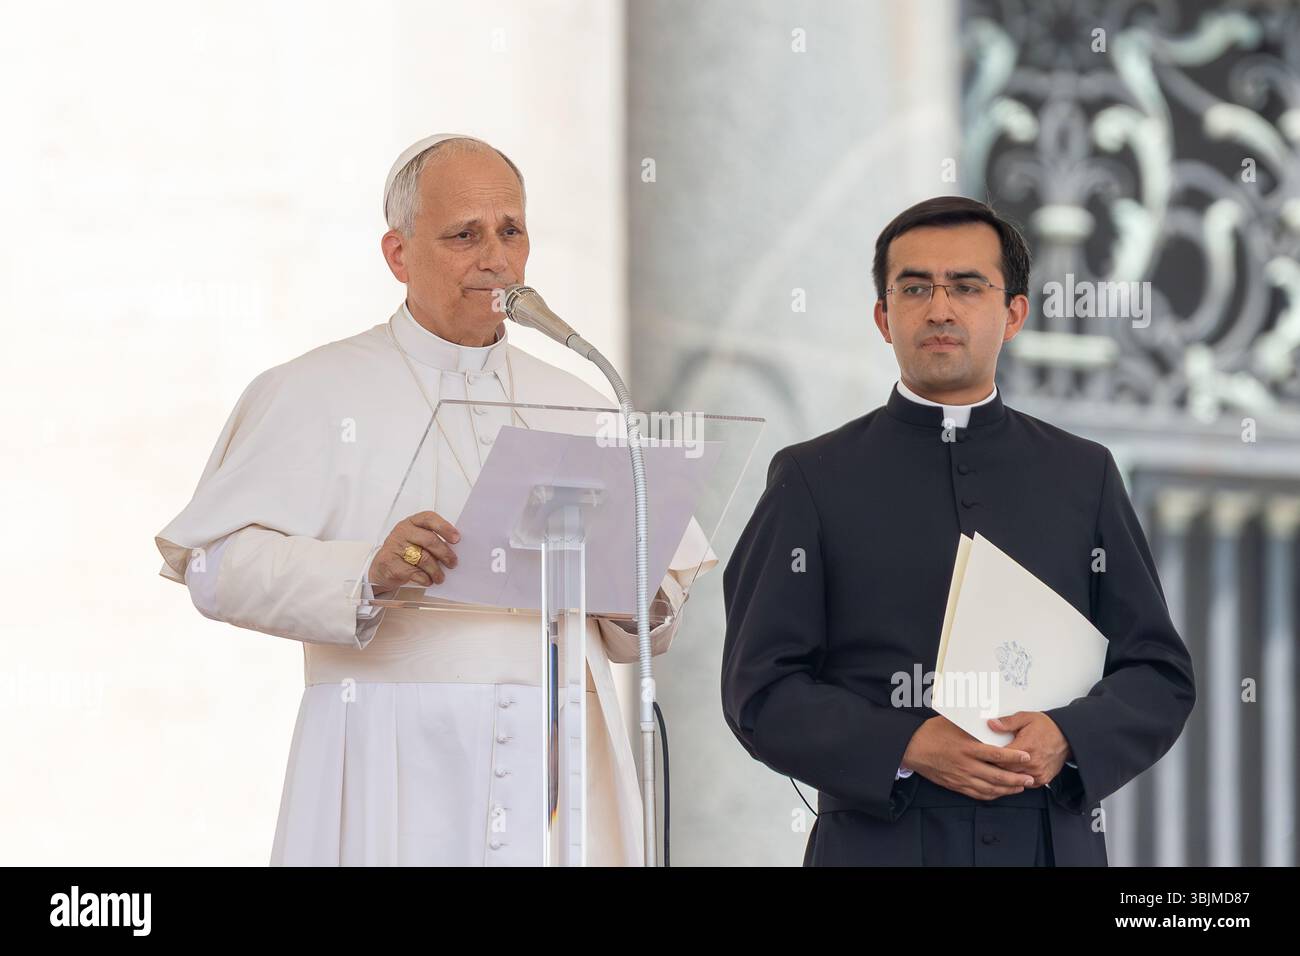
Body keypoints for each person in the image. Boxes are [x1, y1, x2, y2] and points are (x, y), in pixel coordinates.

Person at [156, 133, 712, 865]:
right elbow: (212, 565)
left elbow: (662, 592)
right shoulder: (314, 391)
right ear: (397, 255)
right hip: (389, 749)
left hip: (561, 759)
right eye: (463, 236)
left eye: (510, 231)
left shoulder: (579, 398)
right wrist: (363, 572)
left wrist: (629, 598)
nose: (495, 258)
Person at [719, 196, 1195, 866]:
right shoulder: (812, 479)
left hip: (1046, 845)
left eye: (967, 286)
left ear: (1014, 314)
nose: (939, 309)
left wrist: (1067, 734)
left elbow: (1159, 674)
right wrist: (907, 746)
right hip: (879, 844)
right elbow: (760, 690)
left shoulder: (1083, 474)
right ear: (884, 318)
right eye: (915, 288)